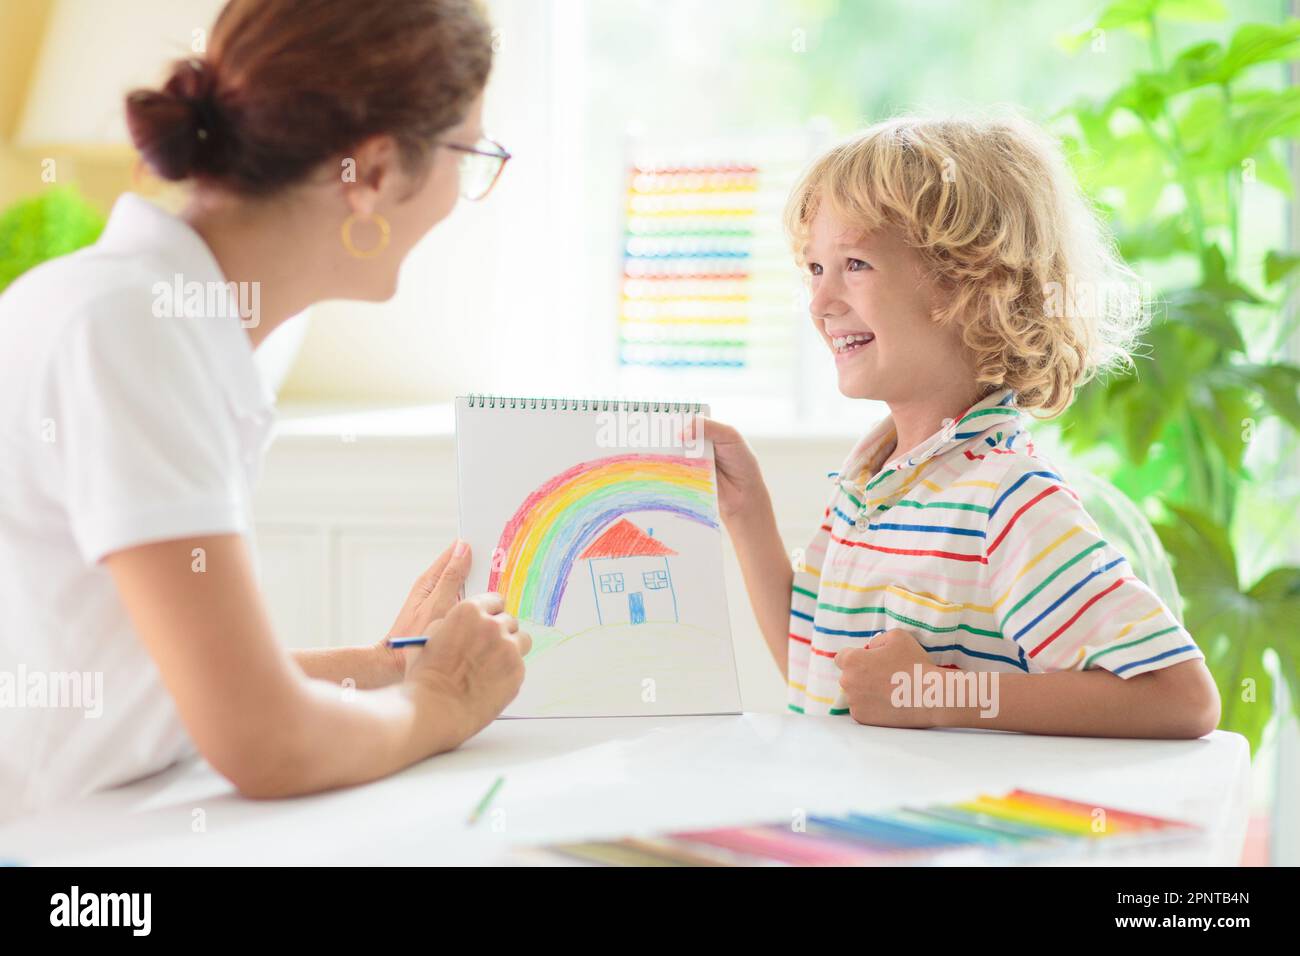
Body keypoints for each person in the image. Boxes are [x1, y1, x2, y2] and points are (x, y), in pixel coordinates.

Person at [0, 0, 526, 822]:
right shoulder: (137, 330)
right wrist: (441, 703)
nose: (466, 191)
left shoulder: (167, 316)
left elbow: (174, 680)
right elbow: (262, 741)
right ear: (377, 171)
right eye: (468, 153)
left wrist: (386, 668)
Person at [704, 115, 1221, 737]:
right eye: (815, 268)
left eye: (856, 264)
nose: (819, 302)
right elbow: (815, 669)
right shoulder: (870, 483)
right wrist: (747, 512)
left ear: (974, 286)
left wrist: (942, 693)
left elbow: (1180, 699)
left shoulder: (1005, 498)